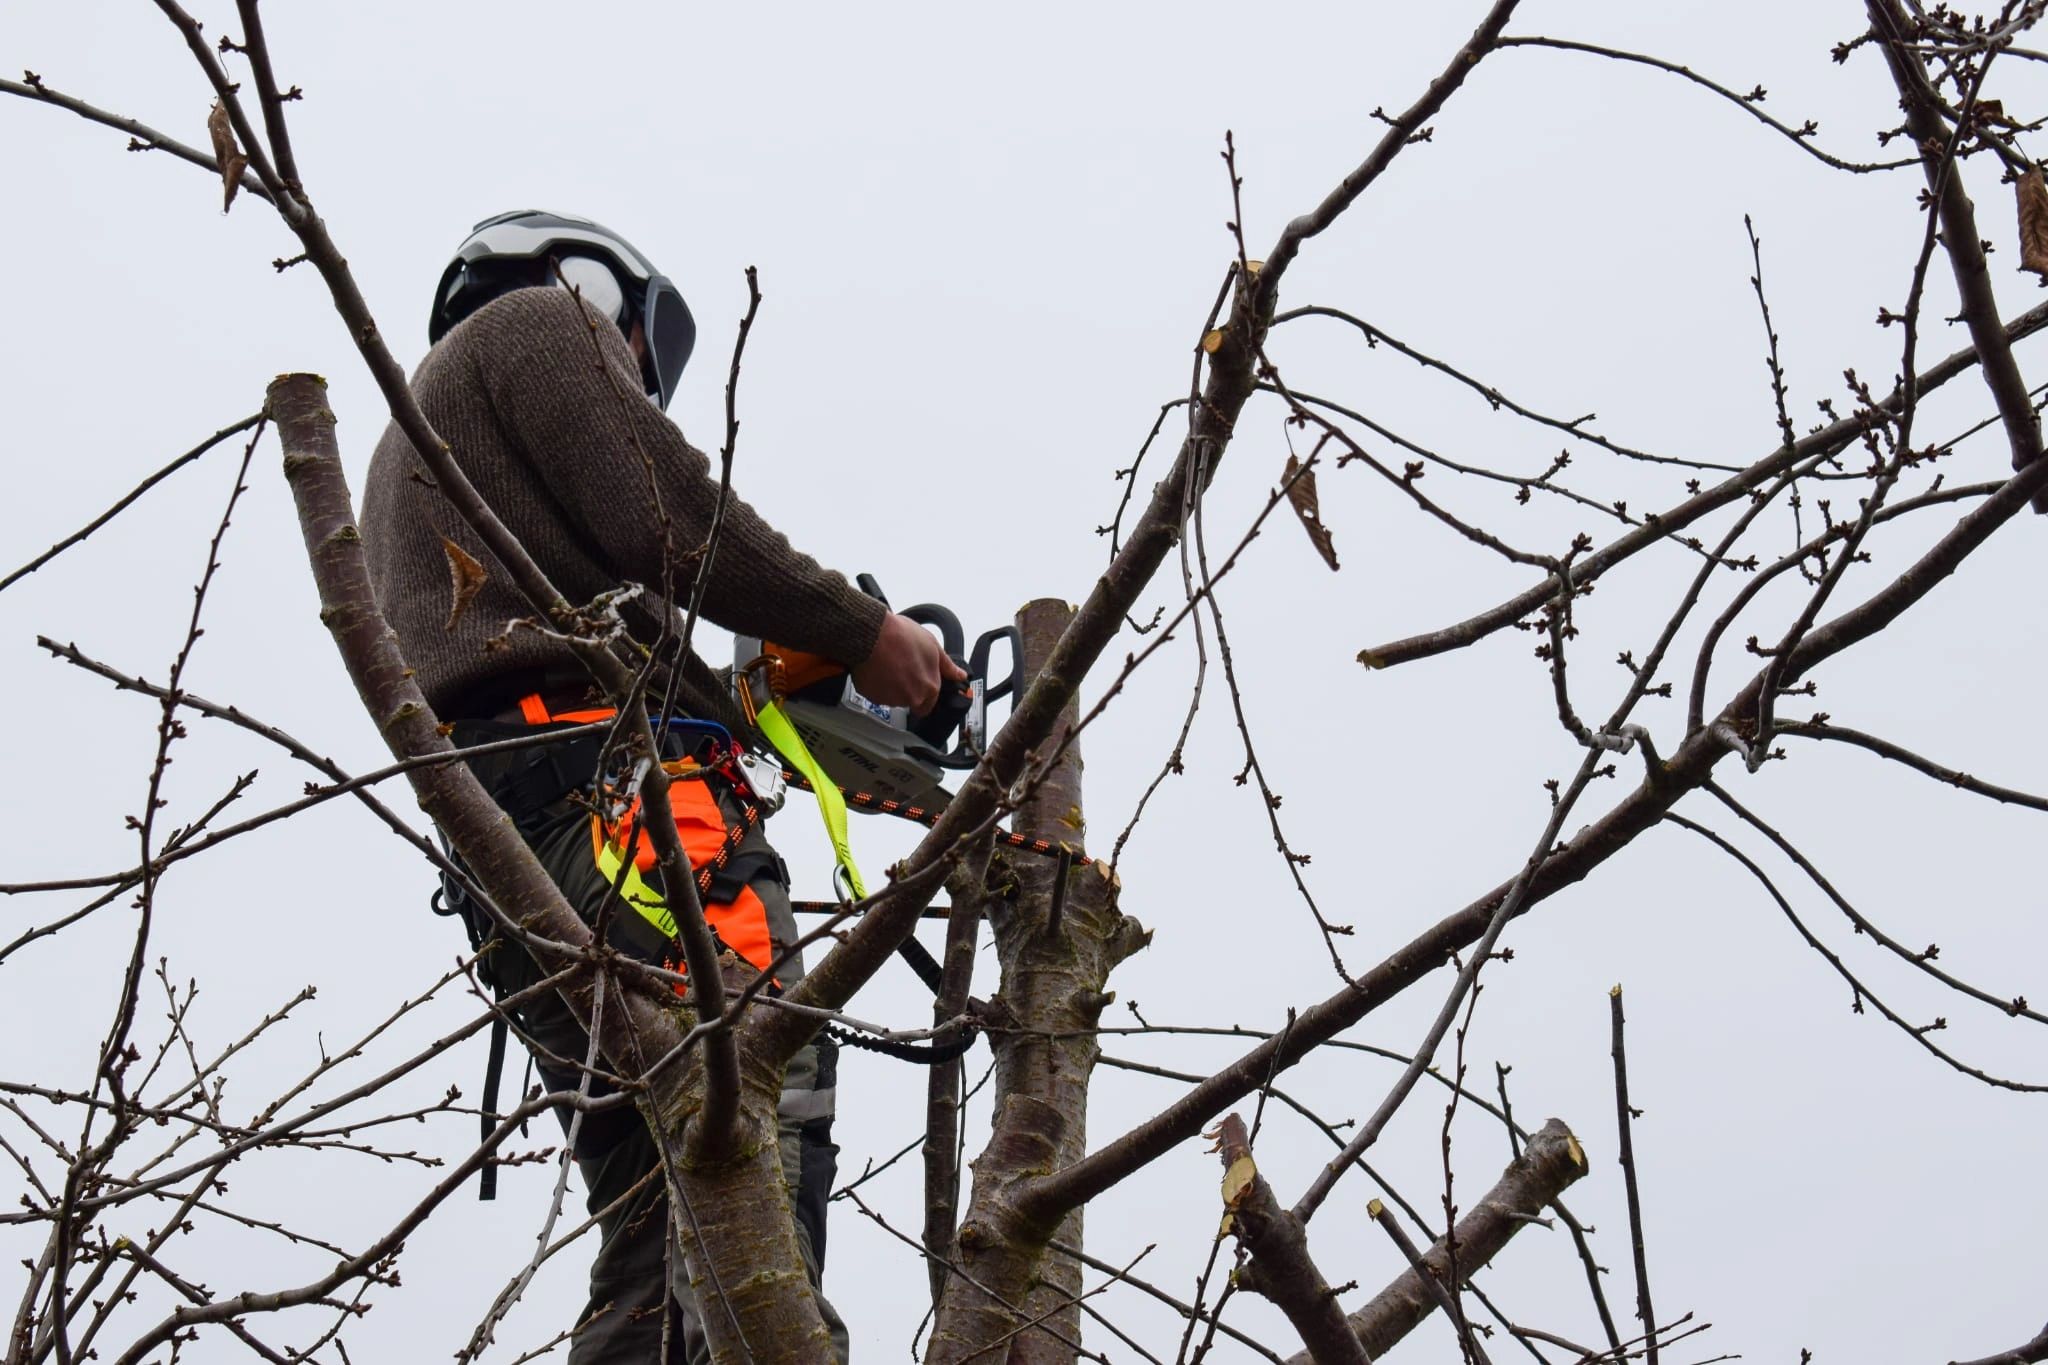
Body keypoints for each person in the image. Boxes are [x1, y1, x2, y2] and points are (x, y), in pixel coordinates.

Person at [359, 209, 955, 1362]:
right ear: (585, 283)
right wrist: (862, 628)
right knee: (756, 1092)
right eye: (633, 346)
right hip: (618, 797)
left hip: (520, 827)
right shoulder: (533, 323)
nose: (629, 372)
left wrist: (795, 698)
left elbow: (637, 623)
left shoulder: (417, 455)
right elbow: (667, 511)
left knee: (655, 1195)